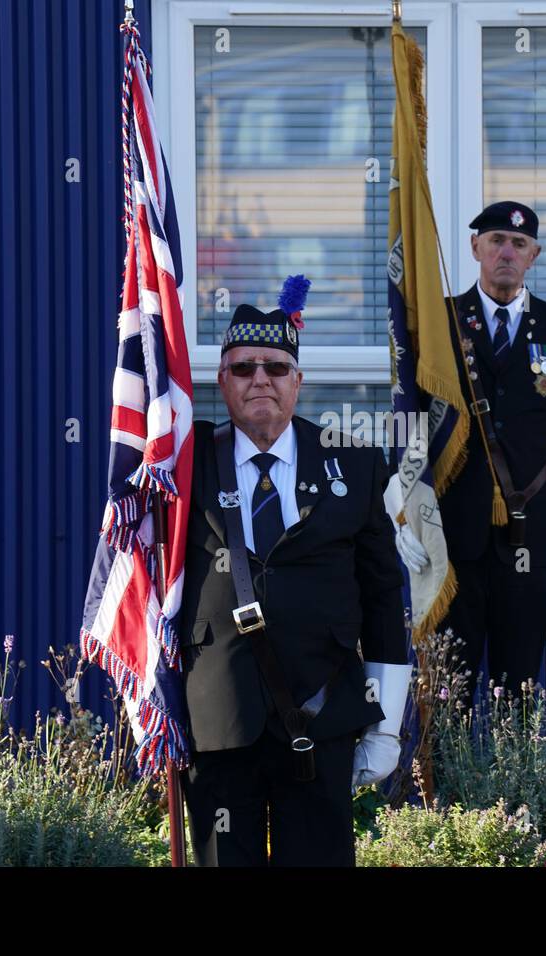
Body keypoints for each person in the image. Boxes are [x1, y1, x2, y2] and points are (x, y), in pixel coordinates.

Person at [178, 277, 411, 866]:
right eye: (243, 368)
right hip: (217, 719)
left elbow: (384, 597)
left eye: (277, 368)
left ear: (298, 381)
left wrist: (385, 724)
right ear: (222, 382)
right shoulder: (183, 464)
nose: (261, 379)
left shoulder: (353, 462)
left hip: (321, 711)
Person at [411, 201, 546, 695]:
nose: (506, 253)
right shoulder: (439, 324)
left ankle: (521, 776)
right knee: (451, 686)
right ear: (475, 248)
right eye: (496, 241)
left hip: (532, 531)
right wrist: (407, 507)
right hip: (454, 530)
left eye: (518, 244)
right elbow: (412, 420)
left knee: (520, 683)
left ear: (534, 255)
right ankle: (445, 775)